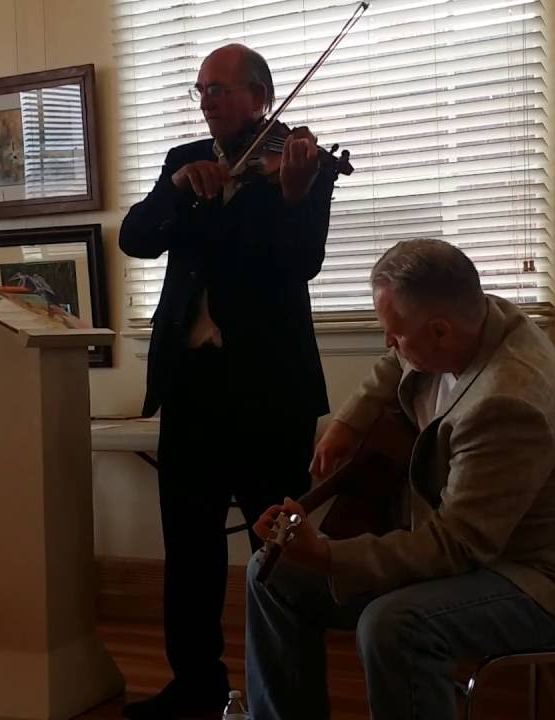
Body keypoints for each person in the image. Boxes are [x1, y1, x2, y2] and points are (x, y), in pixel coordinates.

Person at [245, 239, 555, 720]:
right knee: (272, 573)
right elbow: (396, 362)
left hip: (541, 578)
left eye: (394, 333)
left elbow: (458, 546)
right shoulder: (480, 319)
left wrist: (327, 555)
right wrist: (349, 421)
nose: (389, 343)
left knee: (394, 626)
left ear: (440, 331)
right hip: (481, 549)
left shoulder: (508, 403)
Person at [118, 43, 336, 719]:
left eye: (220, 89)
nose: (208, 100)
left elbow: (300, 263)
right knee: (188, 551)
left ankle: (289, 698)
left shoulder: (299, 160)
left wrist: (294, 198)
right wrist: (179, 189)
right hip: (191, 388)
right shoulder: (186, 161)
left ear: (260, 95)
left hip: (270, 394)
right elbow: (135, 238)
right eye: (201, 90)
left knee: (278, 554)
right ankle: (196, 687)